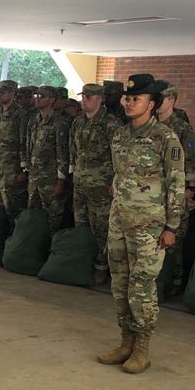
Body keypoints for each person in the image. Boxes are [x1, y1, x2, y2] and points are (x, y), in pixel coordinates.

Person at [98, 74, 185, 374]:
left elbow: (176, 185)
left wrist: (171, 227)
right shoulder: (120, 135)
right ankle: (126, 341)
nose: (130, 102)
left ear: (153, 103)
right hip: (119, 221)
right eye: (128, 98)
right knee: (120, 283)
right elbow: (118, 176)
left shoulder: (166, 138)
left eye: (137, 99)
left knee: (142, 286)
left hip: (149, 227)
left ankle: (142, 348)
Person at [70, 83, 121, 285]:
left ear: (100, 99)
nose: (85, 101)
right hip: (81, 182)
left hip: (101, 185)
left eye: (89, 97)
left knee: (101, 227)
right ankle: (83, 262)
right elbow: (73, 151)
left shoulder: (111, 124)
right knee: (81, 224)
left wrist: (115, 181)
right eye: (83, 97)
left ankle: (101, 266)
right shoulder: (78, 122)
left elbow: (118, 156)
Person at [157, 82, 195, 293]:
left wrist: (190, 189)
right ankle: (157, 280)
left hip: (176, 191)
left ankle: (174, 281)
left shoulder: (182, 129)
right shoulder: (150, 125)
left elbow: (194, 161)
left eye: (163, 98)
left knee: (174, 239)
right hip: (154, 192)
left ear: (172, 101)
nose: (158, 102)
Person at [26, 86, 69, 234]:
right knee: (32, 216)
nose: (37, 98)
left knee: (53, 217)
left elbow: (62, 153)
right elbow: (29, 147)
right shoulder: (34, 121)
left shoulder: (59, 122)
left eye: (42, 96)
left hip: (51, 179)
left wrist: (60, 181)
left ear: (52, 100)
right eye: (36, 95)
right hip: (34, 177)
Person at [0, 80, 27, 227]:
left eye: (3, 92)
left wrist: (23, 169)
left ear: (12, 93)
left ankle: (13, 240)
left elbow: (24, 141)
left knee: (12, 208)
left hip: (12, 168)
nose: (0, 95)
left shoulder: (20, 114)